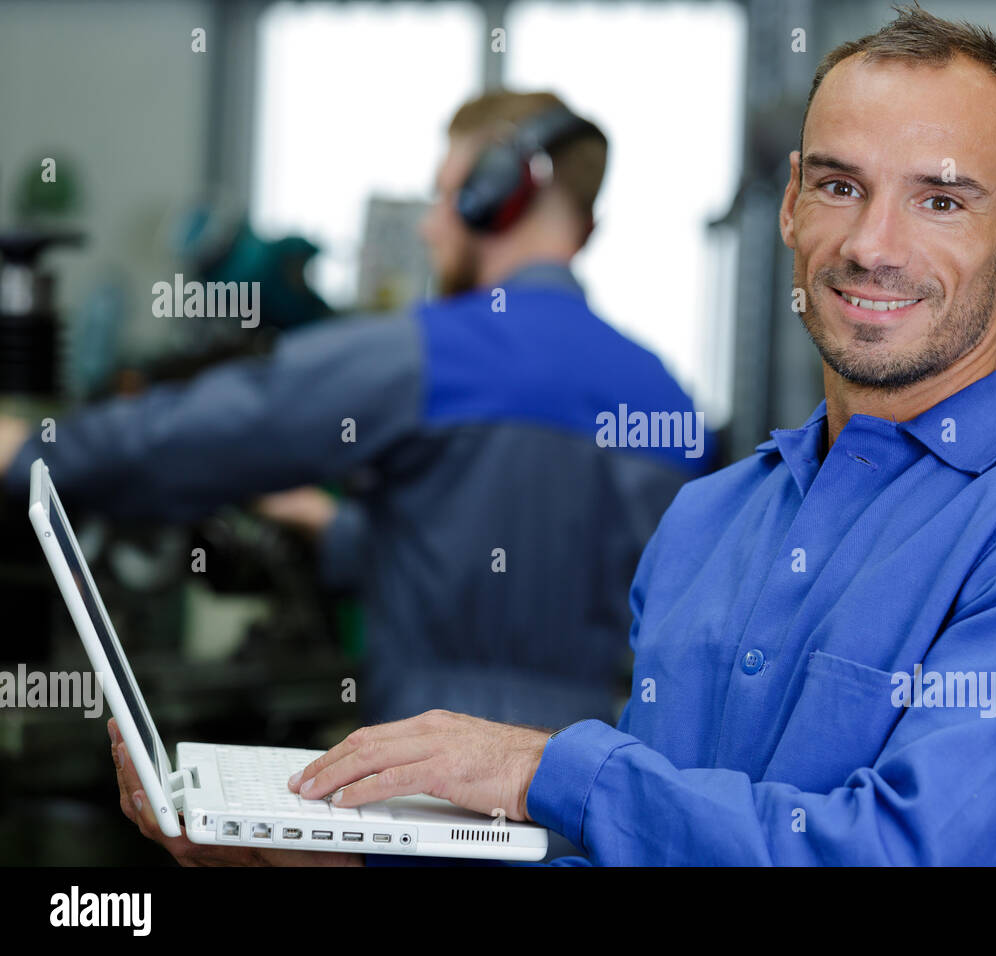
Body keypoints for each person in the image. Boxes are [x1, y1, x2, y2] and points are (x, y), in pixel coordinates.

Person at [111, 4, 996, 866]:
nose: (872, 244)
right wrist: (337, 856)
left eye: (941, 200)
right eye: (840, 185)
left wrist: (545, 770)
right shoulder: (714, 516)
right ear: (790, 205)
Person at [2, 90, 709, 733]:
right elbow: (509, 569)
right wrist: (331, 526)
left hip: (428, 774)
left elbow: (228, 424)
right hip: (589, 776)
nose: (429, 228)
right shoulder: (668, 403)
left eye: (443, 196)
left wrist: (37, 452)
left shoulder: (434, 356)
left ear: (493, 199)